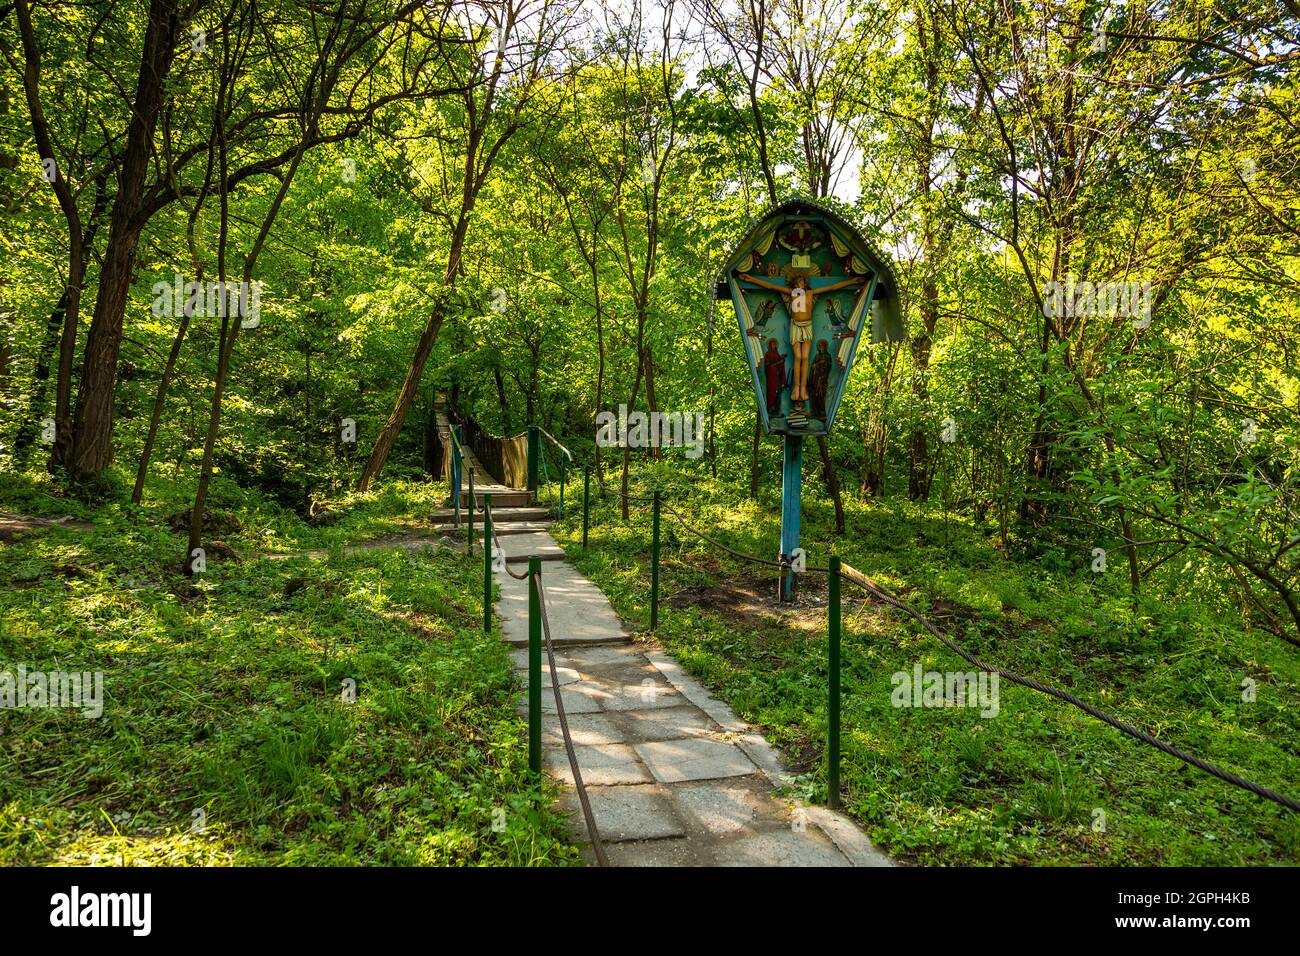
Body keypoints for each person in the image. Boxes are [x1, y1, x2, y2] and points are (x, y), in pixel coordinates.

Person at [739, 270, 864, 404]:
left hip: (807, 326)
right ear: (794, 284)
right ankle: (796, 388)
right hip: (795, 326)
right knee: (798, 357)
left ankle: (803, 389)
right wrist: (751, 279)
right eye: (798, 282)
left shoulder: (810, 293)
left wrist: (851, 281)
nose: (801, 283)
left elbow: (831, 287)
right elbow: (771, 286)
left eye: (802, 281)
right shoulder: (792, 293)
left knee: (805, 357)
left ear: (805, 284)